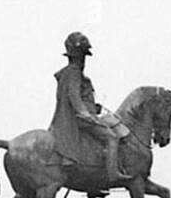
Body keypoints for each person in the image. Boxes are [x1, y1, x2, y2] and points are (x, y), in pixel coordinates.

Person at [49, 31, 132, 186]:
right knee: (111, 137)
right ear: (78, 56)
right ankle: (113, 174)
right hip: (78, 120)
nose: (84, 60)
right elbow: (73, 96)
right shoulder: (73, 73)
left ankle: (93, 182)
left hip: (80, 116)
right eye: (83, 56)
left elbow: (79, 96)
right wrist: (85, 113)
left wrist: (94, 107)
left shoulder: (70, 73)